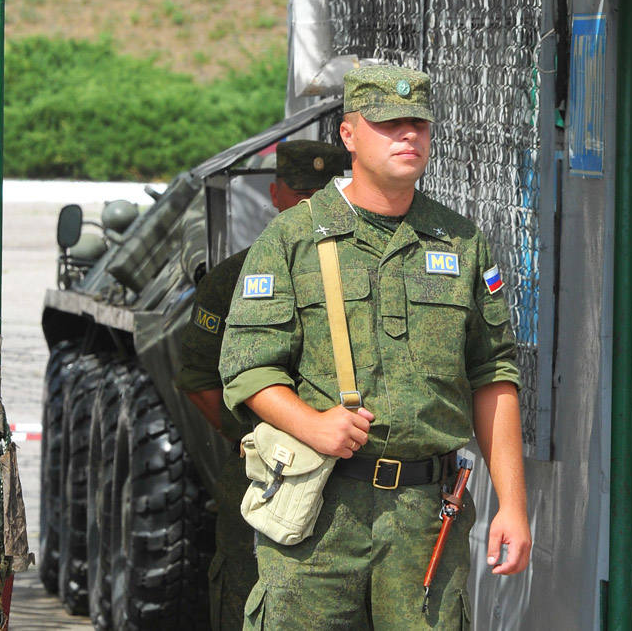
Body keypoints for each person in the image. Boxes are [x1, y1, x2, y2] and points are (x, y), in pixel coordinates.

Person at [219, 65, 531, 629]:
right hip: (319, 511)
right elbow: (246, 367)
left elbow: (494, 376)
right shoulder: (293, 238)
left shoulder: (461, 243)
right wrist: (312, 425)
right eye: (389, 123)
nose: (408, 136)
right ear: (349, 134)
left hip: (426, 517)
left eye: (419, 123)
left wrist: (513, 504)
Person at [174, 139, 351, 631]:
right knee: (249, 594)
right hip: (264, 475)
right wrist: (247, 436)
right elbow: (198, 378)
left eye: (323, 192)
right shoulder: (235, 277)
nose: (309, 204)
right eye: (300, 192)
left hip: (349, 472)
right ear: (275, 194)